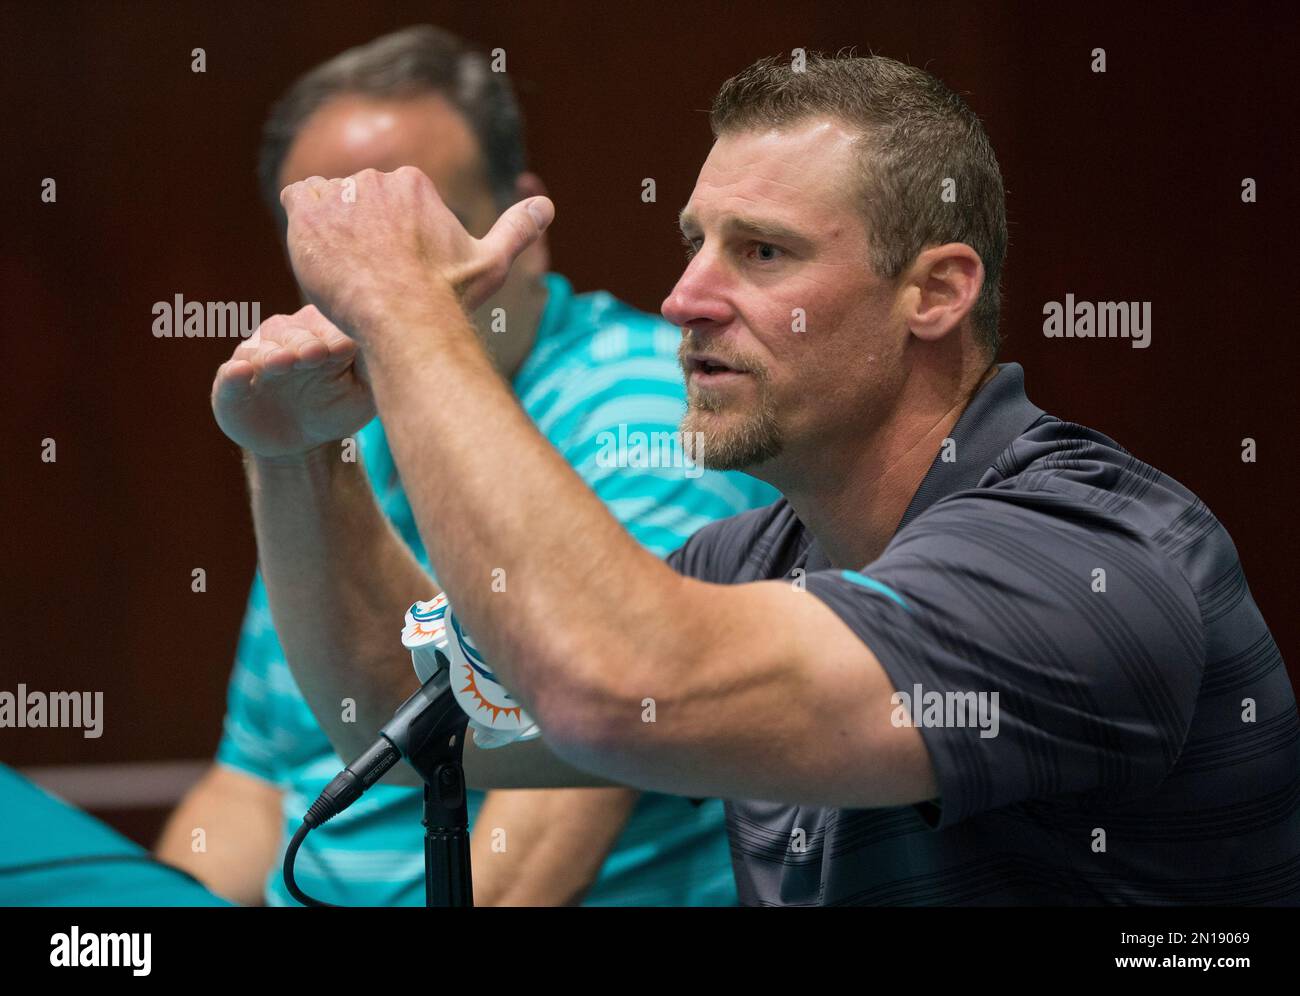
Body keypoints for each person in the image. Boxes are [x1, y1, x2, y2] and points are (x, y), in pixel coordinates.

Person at [211, 51, 1300, 905]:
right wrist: (297, 454)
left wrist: (405, 309)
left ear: (935, 293)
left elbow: (611, 686)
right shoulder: (752, 559)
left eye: (762, 252)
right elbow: (410, 715)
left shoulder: (1081, 556)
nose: (684, 296)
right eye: (694, 243)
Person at [158, 26, 777, 907]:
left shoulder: (650, 409)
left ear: (522, 229)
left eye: (418, 233)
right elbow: (255, 782)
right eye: (349, 244)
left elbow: (552, 814)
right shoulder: (342, 430)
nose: (375, 277)